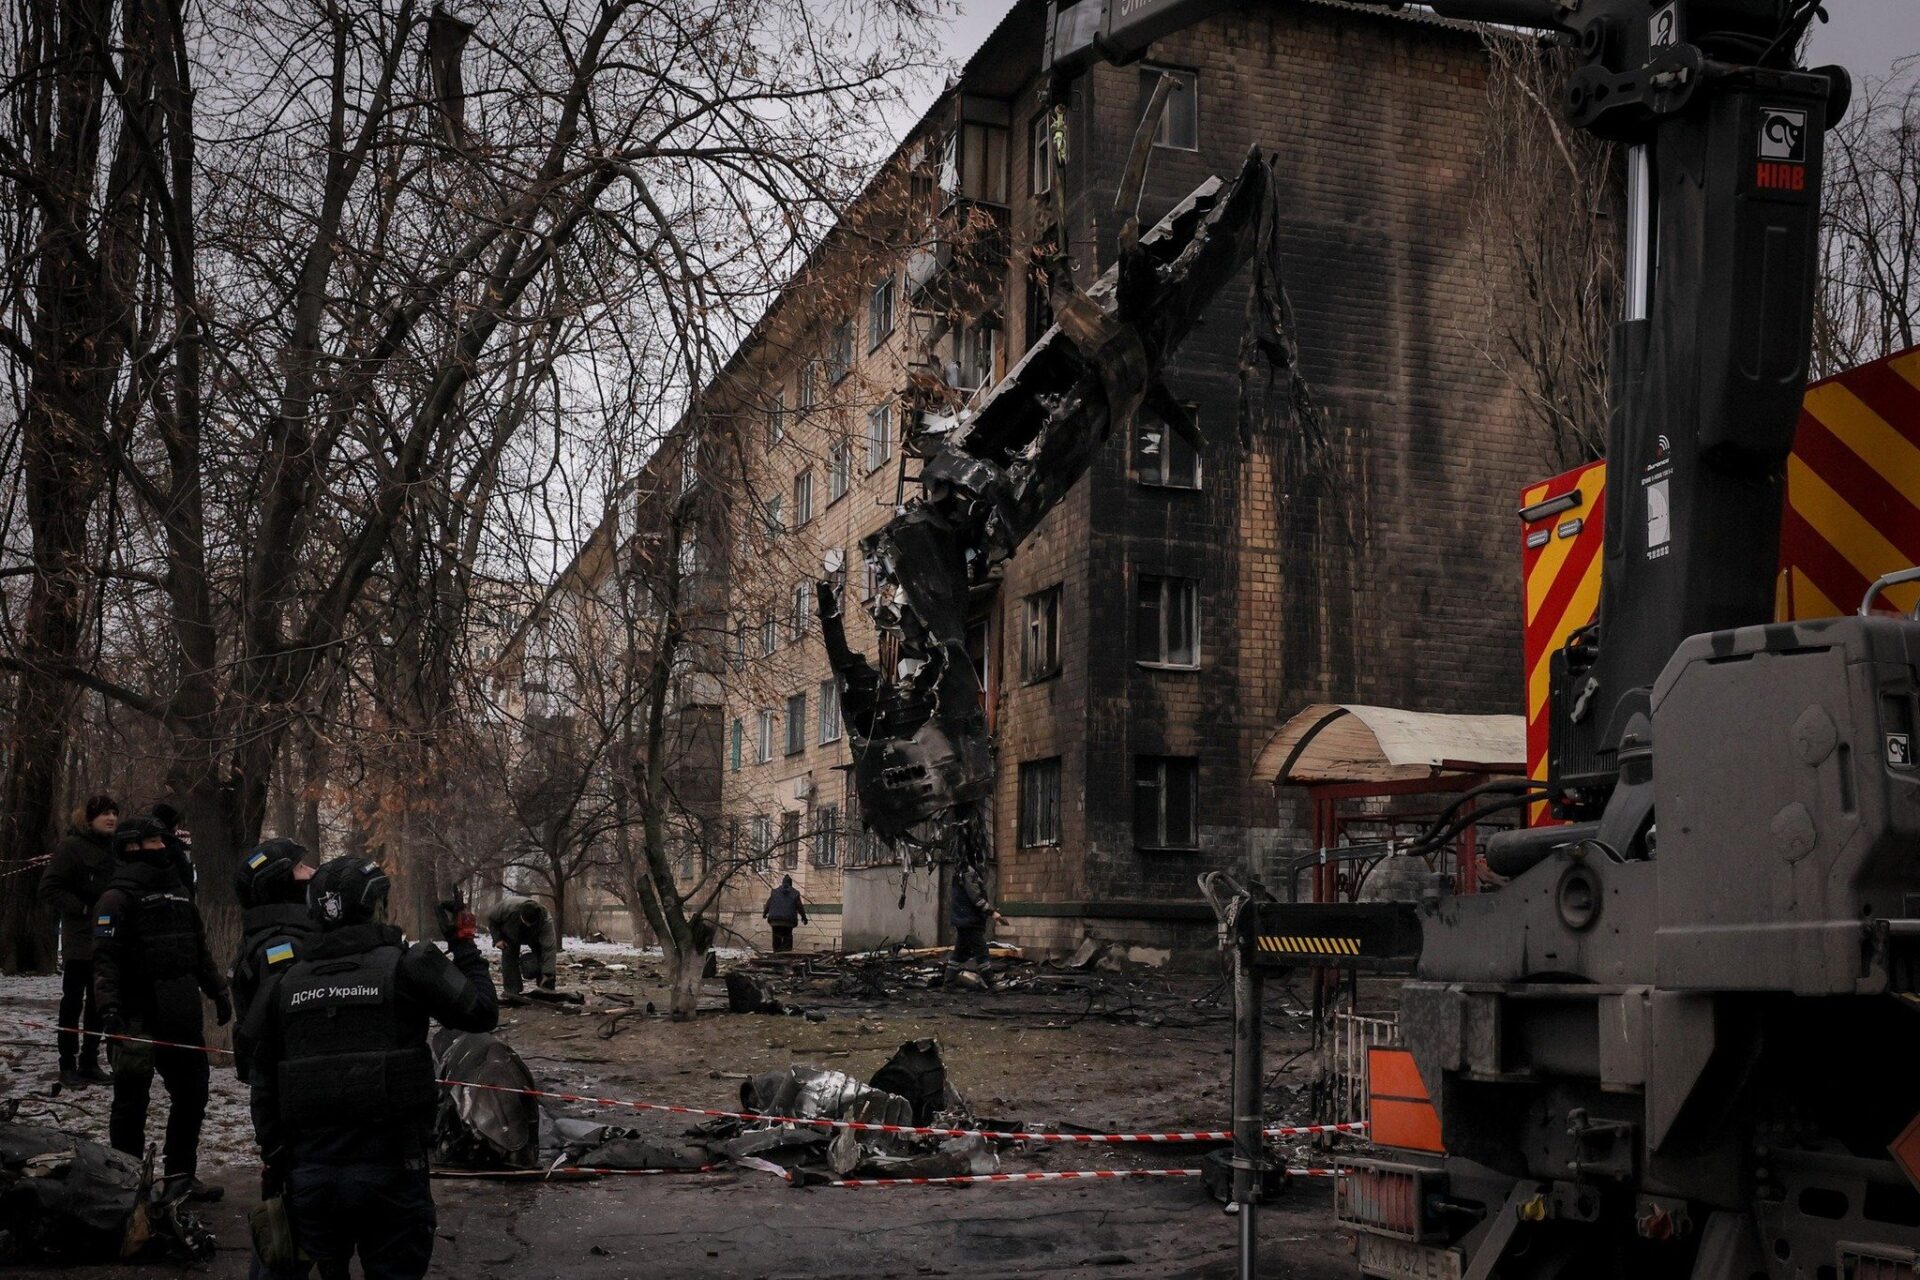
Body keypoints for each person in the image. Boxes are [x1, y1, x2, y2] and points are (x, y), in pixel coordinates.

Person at [243, 858, 496, 1280]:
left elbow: (262, 1081)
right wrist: (463, 943)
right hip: (392, 1174)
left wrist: (277, 1160)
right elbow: (481, 1013)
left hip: (310, 1178)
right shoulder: (409, 966)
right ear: (376, 906)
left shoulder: (284, 983)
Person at [91, 814, 231, 1201]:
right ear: (132, 847)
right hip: (136, 1014)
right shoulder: (116, 898)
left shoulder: (179, 890)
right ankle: (128, 1180)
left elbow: (198, 947)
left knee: (192, 1093)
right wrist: (110, 1009)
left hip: (181, 1011)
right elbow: (104, 961)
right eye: (154, 842)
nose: (163, 847)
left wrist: (218, 990)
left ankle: (180, 1175)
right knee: (131, 1100)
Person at [38, 793, 120, 1087]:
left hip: (108, 941)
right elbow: (49, 887)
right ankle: (67, 1063)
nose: (110, 818)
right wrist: (84, 908)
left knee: (100, 1003)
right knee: (72, 1003)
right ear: (89, 819)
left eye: (114, 813)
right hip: (79, 941)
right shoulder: (71, 848)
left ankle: (89, 1061)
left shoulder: (116, 849)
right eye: (103, 813)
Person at [228, 838, 318, 1085]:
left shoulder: (275, 934)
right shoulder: (281, 945)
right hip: (288, 1083)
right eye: (300, 868)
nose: (313, 872)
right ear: (278, 885)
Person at [485, 895, 558, 995]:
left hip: (534, 935)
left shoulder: (545, 921)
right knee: (509, 957)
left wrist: (548, 973)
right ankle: (512, 990)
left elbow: (549, 949)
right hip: (510, 932)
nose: (528, 925)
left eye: (530, 923)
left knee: (542, 955)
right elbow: (491, 918)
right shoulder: (508, 907)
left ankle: (546, 989)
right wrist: (497, 939)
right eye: (526, 922)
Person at [949, 859, 1005, 969]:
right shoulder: (969, 873)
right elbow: (976, 898)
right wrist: (992, 912)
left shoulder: (960, 872)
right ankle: (990, 982)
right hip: (970, 920)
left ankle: (948, 984)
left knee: (959, 954)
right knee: (982, 952)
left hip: (963, 919)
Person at [762, 875, 808, 953]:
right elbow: (800, 907)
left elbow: (768, 904)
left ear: (782, 883)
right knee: (787, 940)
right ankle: (785, 956)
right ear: (791, 884)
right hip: (788, 921)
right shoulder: (795, 893)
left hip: (775, 920)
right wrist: (804, 918)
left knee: (776, 939)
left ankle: (776, 956)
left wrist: (764, 914)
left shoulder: (775, 892)